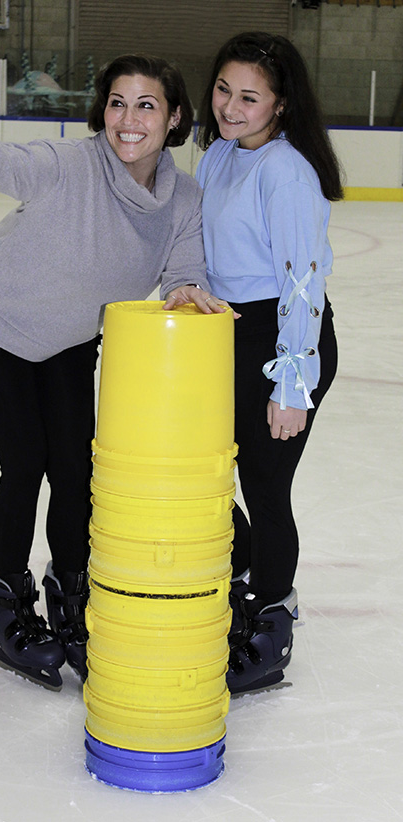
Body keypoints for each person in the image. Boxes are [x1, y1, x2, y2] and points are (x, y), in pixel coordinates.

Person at [0, 52, 224, 692]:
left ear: (174, 118)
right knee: (26, 460)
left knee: (75, 468)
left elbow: (182, 272)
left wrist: (183, 294)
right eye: (117, 102)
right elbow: (3, 163)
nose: (128, 119)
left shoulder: (184, 197)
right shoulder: (70, 165)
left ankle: (72, 594)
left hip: (67, 340)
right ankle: (9, 599)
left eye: (147, 105)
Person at [196, 32, 342, 695]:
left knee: (264, 484)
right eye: (224, 90)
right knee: (206, 475)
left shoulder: (285, 171)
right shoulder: (220, 153)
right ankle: (247, 571)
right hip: (225, 334)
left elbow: (303, 282)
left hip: (280, 341)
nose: (230, 106)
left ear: (280, 105)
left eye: (249, 97)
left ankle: (273, 617)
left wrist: (291, 380)